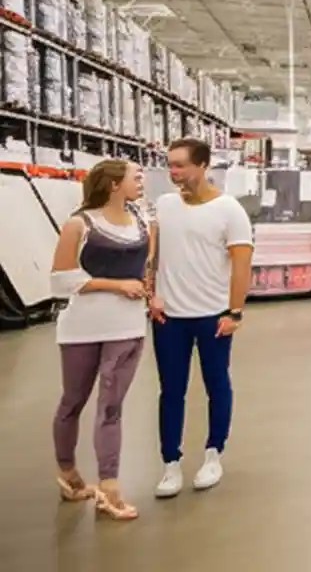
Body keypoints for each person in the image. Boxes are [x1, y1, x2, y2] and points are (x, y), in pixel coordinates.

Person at [148, 138, 253, 498]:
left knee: (216, 384)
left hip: (213, 317)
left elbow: (241, 264)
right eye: (170, 165)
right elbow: (153, 254)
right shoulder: (163, 205)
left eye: (180, 165)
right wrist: (151, 294)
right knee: (171, 390)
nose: (173, 172)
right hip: (169, 317)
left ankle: (213, 453)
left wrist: (234, 311)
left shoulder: (229, 210)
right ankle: (170, 463)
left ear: (203, 165)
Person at [50, 159, 152, 521]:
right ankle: (68, 474)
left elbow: (148, 269)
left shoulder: (143, 224)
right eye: (135, 176)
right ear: (112, 184)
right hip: (81, 328)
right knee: (73, 401)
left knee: (111, 407)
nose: (142, 181)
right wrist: (117, 284)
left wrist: (149, 291)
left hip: (127, 328)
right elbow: (61, 280)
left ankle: (109, 487)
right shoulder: (80, 224)